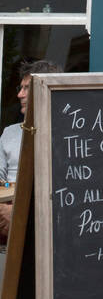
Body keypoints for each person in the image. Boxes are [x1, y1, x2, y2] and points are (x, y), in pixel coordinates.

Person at [0, 60, 63, 244]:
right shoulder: (10, 132)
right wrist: (5, 209)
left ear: (45, 88)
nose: (20, 94)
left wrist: (19, 216)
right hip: (6, 225)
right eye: (21, 88)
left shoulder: (68, 133)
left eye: (27, 88)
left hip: (49, 228)